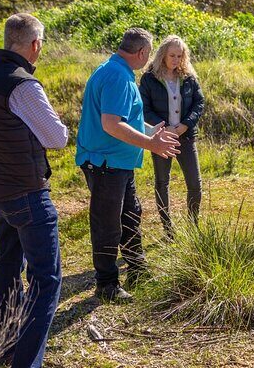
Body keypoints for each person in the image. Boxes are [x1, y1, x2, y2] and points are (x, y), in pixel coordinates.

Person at [0, 13, 68, 368]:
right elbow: (56, 138)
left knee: (7, 266)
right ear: (35, 45)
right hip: (26, 191)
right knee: (46, 280)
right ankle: (25, 362)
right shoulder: (23, 85)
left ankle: (6, 346)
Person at [76, 28, 180, 303]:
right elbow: (111, 124)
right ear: (142, 53)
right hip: (106, 163)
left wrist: (151, 131)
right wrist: (152, 145)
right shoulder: (117, 77)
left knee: (131, 215)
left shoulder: (114, 70)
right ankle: (107, 284)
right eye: (149, 54)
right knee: (108, 224)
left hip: (118, 162)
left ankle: (138, 269)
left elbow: (124, 119)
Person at [139, 35, 204, 237]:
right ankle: (168, 230)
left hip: (185, 136)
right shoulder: (149, 78)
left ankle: (193, 226)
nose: (176, 59)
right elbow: (144, 108)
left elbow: (199, 104)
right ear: (162, 55)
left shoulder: (189, 77)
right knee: (162, 182)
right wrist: (165, 128)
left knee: (194, 183)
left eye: (180, 55)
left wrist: (185, 125)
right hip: (161, 137)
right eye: (172, 55)